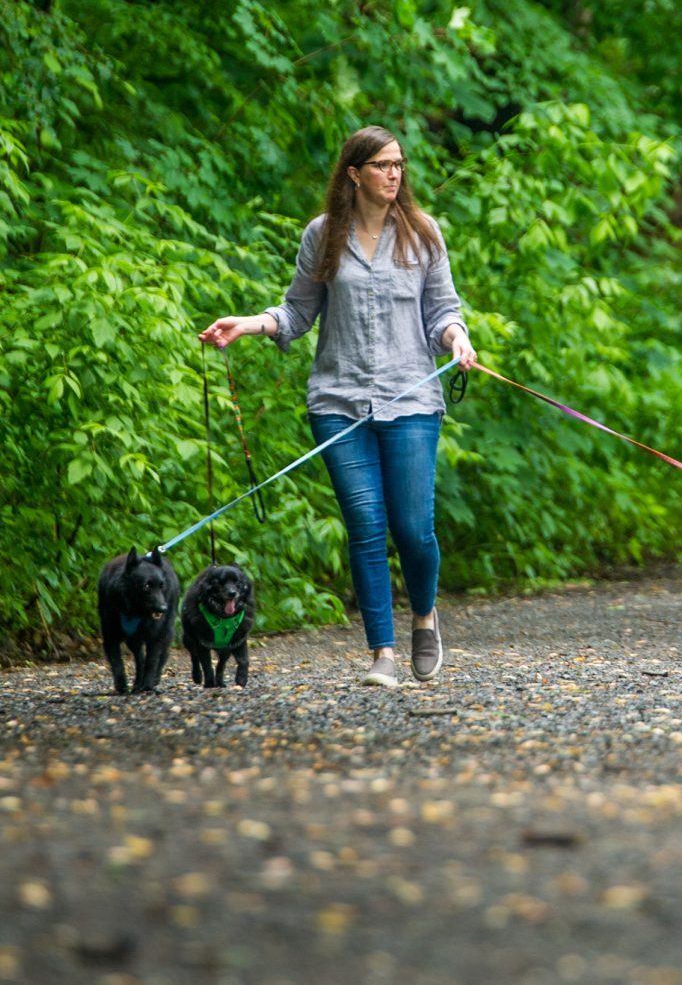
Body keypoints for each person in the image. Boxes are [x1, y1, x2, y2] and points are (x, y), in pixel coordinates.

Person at [198, 126, 478, 687]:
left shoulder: (424, 235)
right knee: (366, 525)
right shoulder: (322, 235)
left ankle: (424, 615)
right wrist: (248, 325)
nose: (394, 174)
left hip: (412, 400)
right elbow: (298, 312)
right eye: (382, 165)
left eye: (399, 164)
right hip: (338, 401)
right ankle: (383, 654)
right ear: (354, 173)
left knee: (413, 529)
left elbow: (443, 310)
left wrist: (457, 339)